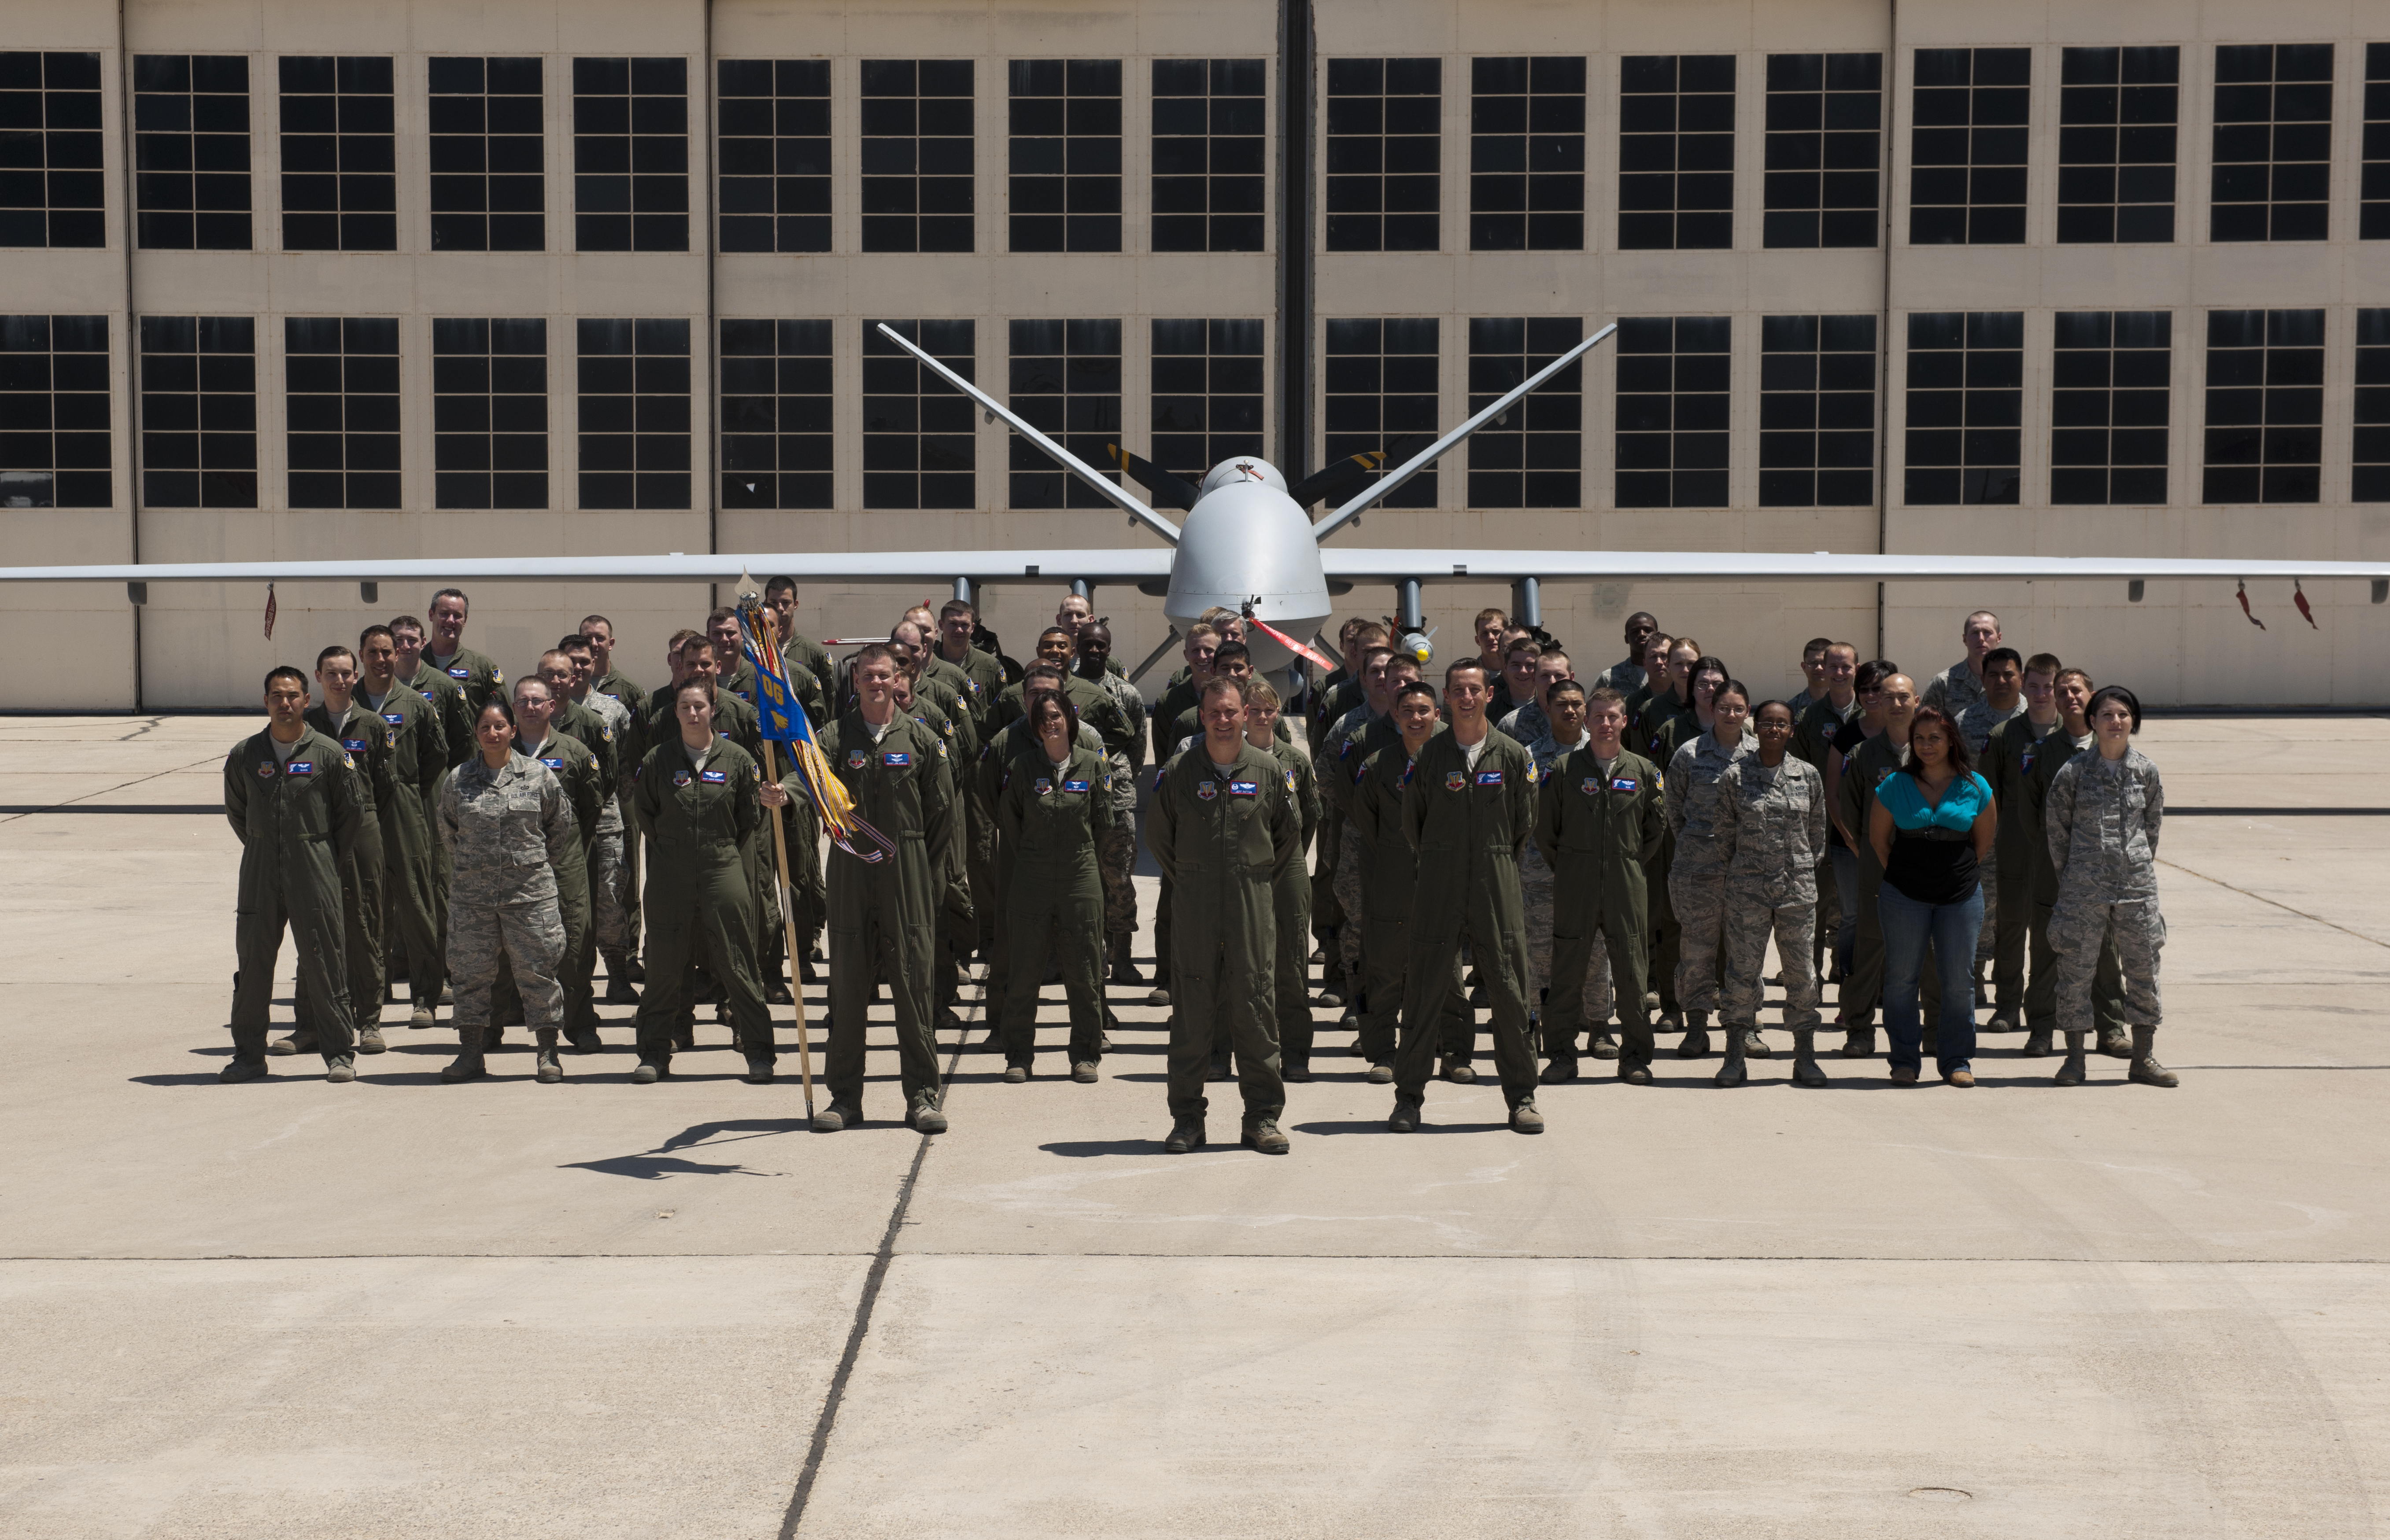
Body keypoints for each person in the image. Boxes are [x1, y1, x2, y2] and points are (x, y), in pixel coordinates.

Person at [804, 645, 957, 1133]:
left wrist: (913, 864)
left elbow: (942, 815)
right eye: (866, 675)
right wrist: (784, 791)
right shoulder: (832, 737)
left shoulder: (922, 741)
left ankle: (923, 1098)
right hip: (850, 871)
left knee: (914, 987)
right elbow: (808, 774)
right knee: (847, 987)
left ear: (898, 681)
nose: (875, 682)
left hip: (905, 872)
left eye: (884, 675)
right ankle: (844, 1098)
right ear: (855, 681)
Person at [1389, 659, 1545, 1135]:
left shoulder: (1514, 755)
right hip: (1439, 883)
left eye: (1475, 689)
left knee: (1510, 993)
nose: (1467, 698)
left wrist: (1490, 860)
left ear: (1488, 694)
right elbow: (1413, 824)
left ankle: (1522, 1097)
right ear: (1447, 696)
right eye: (1458, 690)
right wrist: (1445, 857)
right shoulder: (1429, 758)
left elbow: (1524, 824)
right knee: (1423, 995)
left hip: (1496, 884)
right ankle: (1408, 1100)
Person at [1147, 675, 1301, 1154]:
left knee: (1255, 1010)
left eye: (1231, 711)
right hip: (1194, 908)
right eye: (1214, 711)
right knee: (1191, 1016)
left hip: (1251, 907)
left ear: (1245, 712)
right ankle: (1187, 1120)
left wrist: (1248, 879)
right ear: (1202, 714)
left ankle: (1261, 1119)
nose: (1223, 719)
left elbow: (1287, 836)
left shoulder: (1269, 770)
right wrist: (1195, 877)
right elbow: (1159, 838)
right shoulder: (1179, 771)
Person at [220, 667, 366, 1083]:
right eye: (276, 696)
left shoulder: (330, 754)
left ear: (306, 700)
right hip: (260, 866)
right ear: (266, 701)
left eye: (293, 696)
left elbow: (350, 815)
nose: (285, 703)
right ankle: (248, 1056)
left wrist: (317, 851)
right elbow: (237, 811)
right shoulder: (245, 754)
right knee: (253, 965)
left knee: (325, 961)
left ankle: (339, 1054)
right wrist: (264, 844)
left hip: (314, 863)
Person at [633, 680, 776, 1085]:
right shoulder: (658, 759)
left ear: (713, 709)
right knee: (662, 964)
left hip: (722, 865)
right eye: (685, 707)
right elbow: (645, 813)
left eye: (699, 706)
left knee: (738, 962)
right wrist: (673, 847)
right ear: (675, 713)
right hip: (670, 870)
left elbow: (751, 818)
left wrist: (719, 848)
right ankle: (654, 1053)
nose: (692, 713)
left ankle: (759, 1053)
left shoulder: (738, 759)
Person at [438, 696, 575, 1084]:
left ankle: (548, 1054)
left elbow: (558, 829)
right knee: (469, 974)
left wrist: (526, 867)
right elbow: (449, 833)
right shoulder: (459, 779)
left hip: (529, 896)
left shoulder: (540, 776)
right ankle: (470, 1054)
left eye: (500, 726)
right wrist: (476, 870)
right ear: (477, 734)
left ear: (513, 731)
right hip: (473, 899)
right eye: (485, 727)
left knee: (538, 972)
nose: (493, 733)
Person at [1534, 685, 1665, 1083]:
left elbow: (1654, 831)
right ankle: (1560, 1055)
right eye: (1598, 717)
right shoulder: (1561, 770)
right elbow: (1545, 831)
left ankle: (1635, 1057)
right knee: (1566, 973)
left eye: (1613, 717)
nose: (1605, 724)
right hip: (1575, 882)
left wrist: (1624, 864)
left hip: (1626, 884)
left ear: (1624, 721)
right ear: (1586, 721)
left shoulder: (1644, 771)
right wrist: (1576, 866)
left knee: (1630, 972)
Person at [2046, 685, 2174, 1089]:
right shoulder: (2074, 772)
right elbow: (2057, 832)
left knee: (2143, 969)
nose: (2114, 722)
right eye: (2106, 715)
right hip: (2083, 888)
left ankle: (2143, 1057)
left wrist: (2130, 866)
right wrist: (2079, 874)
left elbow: (2150, 829)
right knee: (2075, 970)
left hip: (2135, 889)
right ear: (2093, 722)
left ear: (2132, 721)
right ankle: (2074, 1060)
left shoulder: (2146, 771)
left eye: (2122, 714)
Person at [1866, 704, 1995, 1086]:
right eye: (1918, 739)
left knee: (1958, 980)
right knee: (1902, 979)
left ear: (1950, 740)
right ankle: (1904, 1061)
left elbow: (1982, 843)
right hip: (1904, 894)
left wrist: (1953, 873)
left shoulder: (1975, 786)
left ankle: (1956, 1060)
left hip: (1961, 895)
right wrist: (1908, 876)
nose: (1926, 745)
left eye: (1934, 738)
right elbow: (1878, 841)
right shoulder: (1894, 784)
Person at [990, 690, 1111, 1082]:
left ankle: (1085, 1055)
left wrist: (1080, 856)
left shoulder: (1094, 765)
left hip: (1080, 877)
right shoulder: (1021, 767)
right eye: (1042, 718)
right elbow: (1010, 821)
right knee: (1024, 972)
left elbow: (1105, 824)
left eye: (1056, 715)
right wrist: (1034, 854)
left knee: (1084, 972)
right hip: (1032, 878)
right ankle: (1019, 1056)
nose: (1050, 723)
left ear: (1070, 718)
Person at [276, 644, 390, 1058]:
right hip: (319, 833)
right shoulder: (306, 724)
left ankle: (370, 1023)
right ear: (318, 678)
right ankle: (309, 1026)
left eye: (346, 673)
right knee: (315, 930)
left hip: (364, 833)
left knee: (366, 927)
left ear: (355, 677)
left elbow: (386, 786)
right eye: (331, 673)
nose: (340, 680)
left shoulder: (373, 725)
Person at [1349, 679, 1466, 1083]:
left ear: (1438, 715)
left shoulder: (1456, 763)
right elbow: (1366, 823)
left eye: (1424, 711)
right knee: (1383, 972)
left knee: (1447, 975)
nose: (1415, 718)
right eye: (1407, 711)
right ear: (1395, 716)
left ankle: (1453, 1052)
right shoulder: (1376, 766)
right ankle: (1383, 1052)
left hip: (1441, 887)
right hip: (1391, 885)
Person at [1716, 700, 1830, 1087]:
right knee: (1741, 973)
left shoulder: (1808, 776)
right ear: (1756, 728)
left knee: (1801, 974)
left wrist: (1795, 868)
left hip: (1796, 892)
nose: (1774, 730)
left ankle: (1805, 1057)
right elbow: (1724, 836)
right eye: (1766, 723)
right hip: (1746, 892)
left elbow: (1817, 835)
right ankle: (1734, 1056)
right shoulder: (1734, 777)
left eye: (1781, 724)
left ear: (1791, 730)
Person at [488, 677, 604, 1055]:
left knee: (572, 946)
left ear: (553, 706)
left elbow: (591, 808)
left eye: (538, 701)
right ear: (514, 709)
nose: (531, 708)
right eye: (523, 702)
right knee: (504, 949)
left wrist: (564, 848)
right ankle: (495, 1025)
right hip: (513, 868)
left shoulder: (576, 752)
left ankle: (580, 1025)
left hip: (565, 863)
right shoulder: (497, 753)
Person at [2023, 668, 2130, 1060]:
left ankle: (2110, 1028)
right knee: (2047, 953)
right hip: (2053, 872)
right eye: (2062, 691)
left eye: (2076, 690)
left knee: (2105, 952)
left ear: (2092, 695)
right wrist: (2059, 861)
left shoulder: (2109, 747)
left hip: (2104, 876)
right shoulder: (2041, 753)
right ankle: (2040, 1029)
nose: (2069, 697)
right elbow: (2029, 813)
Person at [1515, 679, 1617, 1060]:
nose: (1570, 711)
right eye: (1562, 705)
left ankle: (1599, 1026)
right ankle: (1539, 1025)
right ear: (1548, 708)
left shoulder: (1603, 752)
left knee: (1595, 953)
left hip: (1591, 874)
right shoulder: (1528, 756)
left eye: (1577, 705)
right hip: (1539, 874)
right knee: (1539, 954)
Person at [355, 624, 447, 1029]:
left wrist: (407, 793)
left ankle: (425, 997)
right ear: (362, 656)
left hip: (406, 811)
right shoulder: (345, 704)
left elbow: (436, 757)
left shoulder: (416, 705)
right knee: (367, 906)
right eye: (373, 652)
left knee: (416, 902)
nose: (381, 659)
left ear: (398, 656)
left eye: (387, 652)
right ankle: (373, 992)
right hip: (358, 815)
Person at [1664, 672, 1755, 1059]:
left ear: (1746, 711)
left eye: (1737, 708)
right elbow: (1673, 809)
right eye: (1723, 708)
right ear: (1711, 709)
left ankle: (1745, 1027)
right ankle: (1697, 1027)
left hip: (1748, 870)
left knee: (1744, 952)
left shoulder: (1759, 754)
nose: (1730, 714)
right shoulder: (1689, 753)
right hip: (1696, 870)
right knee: (1697, 951)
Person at [1832, 667, 1915, 1056]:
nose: (1895, 704)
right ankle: (1860, 1030)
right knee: (1869, 948)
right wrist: (1867, 850)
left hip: (1926, 867)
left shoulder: (1934, 747)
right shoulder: (1862, 754)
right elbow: (1848, 810)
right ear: (1876, 701)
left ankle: (1930, 1032)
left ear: (1916, 702)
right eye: (1888, 697)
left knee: (1926, 951)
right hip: (1876, 868)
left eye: (1903, 697)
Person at [1981, 653, 2063, 1048]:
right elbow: (1987, 793)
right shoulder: (2003, 736)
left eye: (2049, 686)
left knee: (2049, 931)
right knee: (2010, 926)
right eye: (2033, 686)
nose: (2041, 694)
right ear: (2022, 687)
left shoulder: (2073, 735)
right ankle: (2007, 1005)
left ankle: (2043, 1010)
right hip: (2014, 842)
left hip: (2059, 847)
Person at [1245, 678, 1321, 1079]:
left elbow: (1309, 816)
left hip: (1287, 869)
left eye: (1268, 709)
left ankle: (1295, 1053)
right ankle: (1240, 1050)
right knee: (1243, 964)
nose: (1261, 716)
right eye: (1253, 709)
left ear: (1278, 713)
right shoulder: (1230, 756)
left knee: (1291, 964)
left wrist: (1288, 854)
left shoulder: (1295, 760)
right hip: (1243, 869)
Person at [1075, 621, 1148, 983]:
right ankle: (1079, 957)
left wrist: (1115, 779)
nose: (1093, 651)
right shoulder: (1064, 689)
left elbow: (1136, 750)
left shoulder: (1126, 694)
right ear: (1077, 646)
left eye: (1100, 646)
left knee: (1118, 878)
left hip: (1116, 797)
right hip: (1074, 797)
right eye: (1087, 644)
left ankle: (1121, 956)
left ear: (1108, 649)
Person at [1956, 646, 2027, 1009]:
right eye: (1993, 675)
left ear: (2021, 678)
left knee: (2016, 916)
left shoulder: (2036, 719)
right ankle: (1976, 978)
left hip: (2023, 835)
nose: (2001, 681)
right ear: (1982, 679)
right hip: (1975, 834)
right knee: (1978, 909)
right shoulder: (1963, 721)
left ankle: (2011, 993)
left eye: (2008, 674)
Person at [1819, 659, 1891, 998]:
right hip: (1848, 845)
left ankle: (1885, 987)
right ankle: (1851, 990)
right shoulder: (1847, 736)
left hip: (1898, 844)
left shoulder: (1907, 733)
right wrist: (1849, 838)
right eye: (1864, 689)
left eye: (1878, 688)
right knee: (1851, 916)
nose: (1871, 695)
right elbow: (1831, 792)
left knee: (1893, 915)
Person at [1792, 641, 1860, 975]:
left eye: (1845, 667)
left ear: (1856, 670)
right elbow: (1796, 773)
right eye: (1832, 666)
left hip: (1860, 826)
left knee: (1852, 910)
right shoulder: (1808, 719)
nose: (1837, 673)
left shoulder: (1870, 714)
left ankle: (1848, 975)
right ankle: (1810, 981)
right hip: (1816, 827)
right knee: (1813, 907)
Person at [423, 588, 505, 712]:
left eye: (457, 616)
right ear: (431, 615)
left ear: (465, 620)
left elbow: (505, 716)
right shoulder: (414, 664)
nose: (451, 620)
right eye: (444, 614)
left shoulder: (482, 667)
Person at [763, 576, 839, 705]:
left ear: (796, 605)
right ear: (765, 603)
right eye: (774, 602)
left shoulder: (814, 654)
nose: (780, 608)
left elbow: (828, 704)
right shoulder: (751, 651)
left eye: (786, 602)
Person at [1920, 610, 2002, 720]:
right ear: (1965, 640)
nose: (1981, 638)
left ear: (1999, 638)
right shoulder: (1943, 683)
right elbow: (1927, 725)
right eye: (1975, 633)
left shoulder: (2012, 682)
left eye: (1987, 632)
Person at [1496, 645, 1573, 746]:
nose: (1552, 682)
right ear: (1534, 679)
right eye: (1545, 676)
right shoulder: (1510, 725)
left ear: (1571, 678)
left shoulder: (1587, 721)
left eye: (1559, 676)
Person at [1591, 612, 1658, 696]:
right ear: (1627, 639)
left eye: (1648, 630)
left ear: (1657, 635)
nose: (1642, 634)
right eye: (1635, 631)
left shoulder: (1672, 673)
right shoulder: (1609, 678)